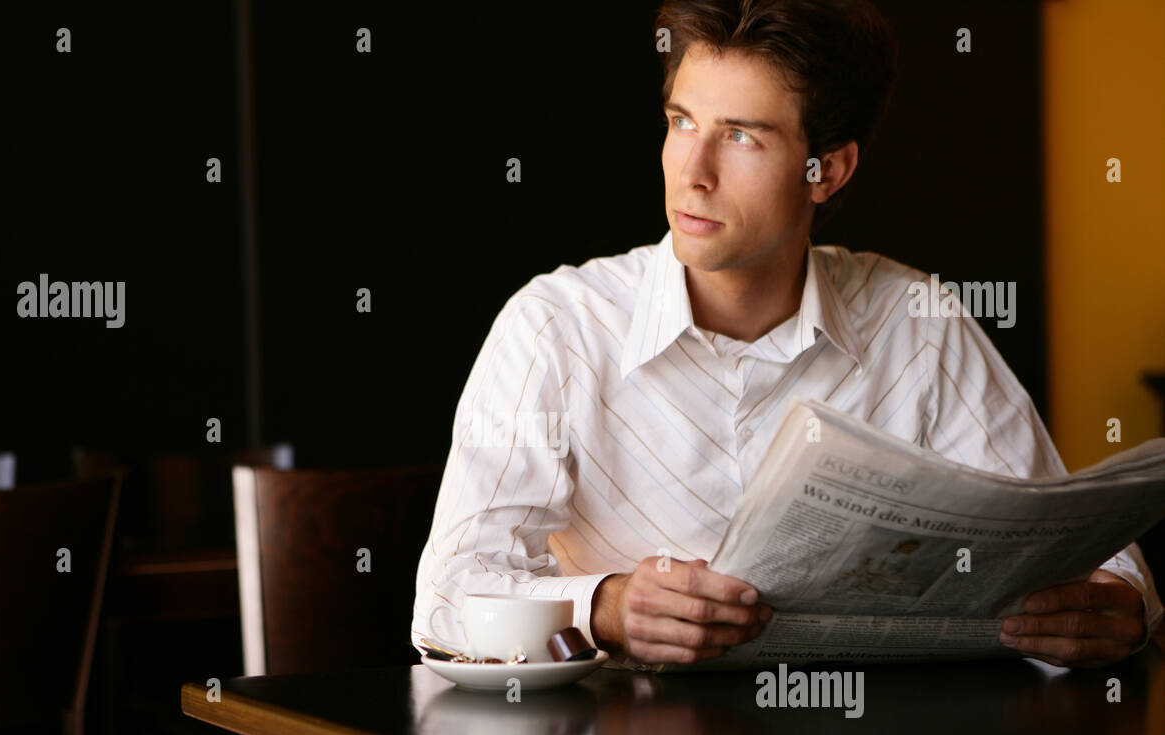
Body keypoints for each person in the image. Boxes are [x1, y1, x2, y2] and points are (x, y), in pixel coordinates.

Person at [411, 0, 1161, 669]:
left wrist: (1118, 611)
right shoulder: (557, 327)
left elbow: (1080, 547)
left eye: (740, 136)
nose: (691, 171)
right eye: (681, 123)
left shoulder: (915, 321)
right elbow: (445, 600)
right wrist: (606, 609)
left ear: (827, 170)